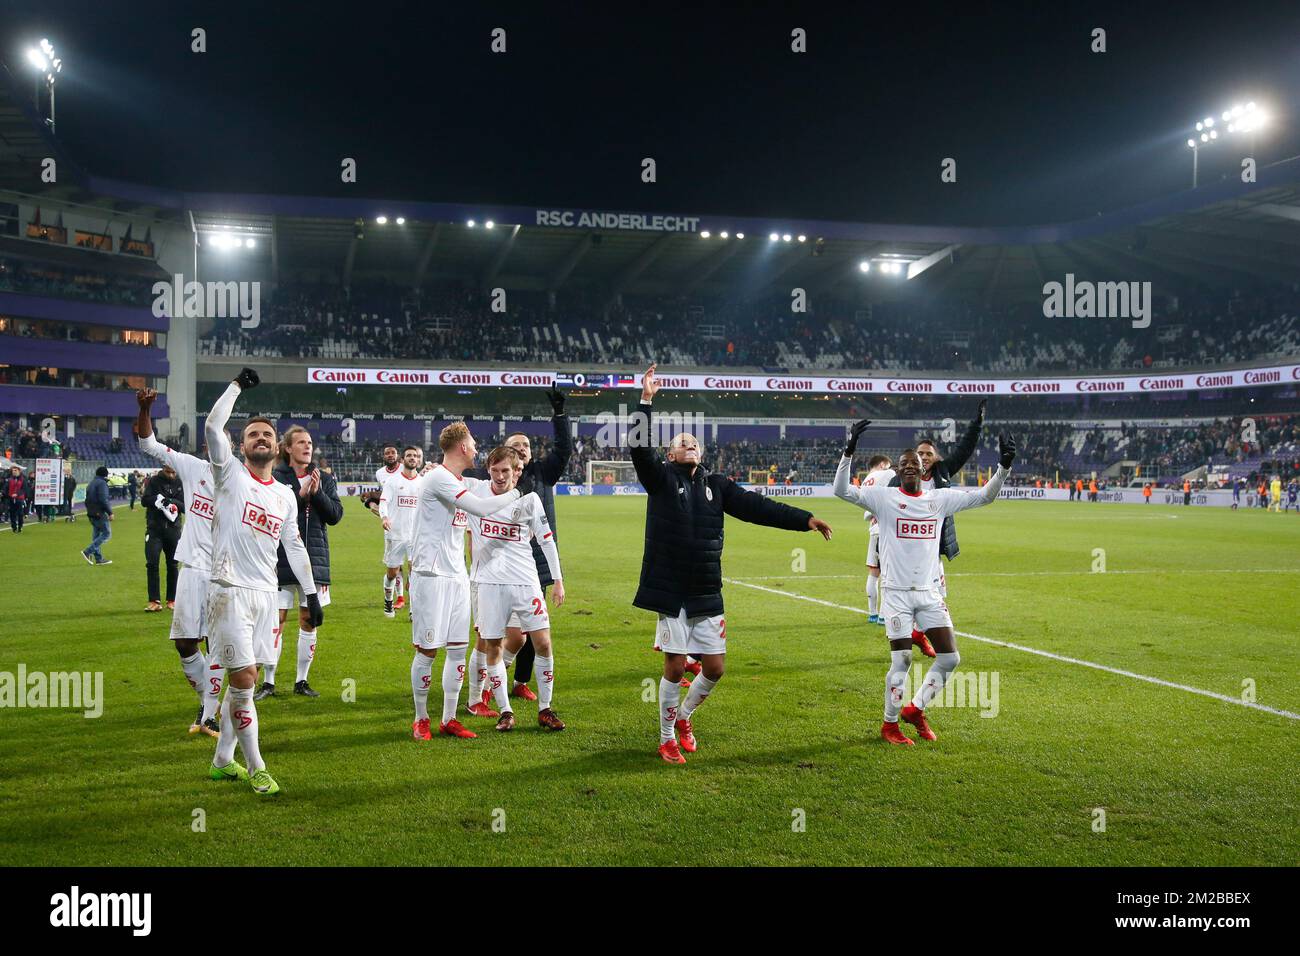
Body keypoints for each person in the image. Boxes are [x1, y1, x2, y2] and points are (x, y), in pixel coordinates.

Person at [631, 365, 833, 765]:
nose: (687, 444)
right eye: (680, 442)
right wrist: (646, 401)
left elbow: (759, 507)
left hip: (707, 588)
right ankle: (666, 736)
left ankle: (685, 717)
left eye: (692, 442)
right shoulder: (660, 480)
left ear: (701, 454)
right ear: (670, 454)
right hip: (671, 589)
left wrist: (804, 519)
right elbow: (639, 450)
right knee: (674, 665)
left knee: (716, 668)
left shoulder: (717, 486)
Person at [834, 436, 1015, 745]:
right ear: (898, 470)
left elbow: (985, 497)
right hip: (896, 593)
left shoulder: (939, 500)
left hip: (929, 594)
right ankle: (890, 725)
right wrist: (848, 451)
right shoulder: (884, 497)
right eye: (903, 463)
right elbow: (841, 490)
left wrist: (1004, 466)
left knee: (950, 658)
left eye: (913, 464)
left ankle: (915, 710)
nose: (908, 467)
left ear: (922, 469)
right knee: (902, 659)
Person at [204, 367, 321, 796]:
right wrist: (235, 385)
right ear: (241, 445)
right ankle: (257, 768)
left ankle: (221, 761)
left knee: (247, 682)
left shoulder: (284, 495)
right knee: (245, 679)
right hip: (228, 591)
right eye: (252, 434)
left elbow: (294, 546)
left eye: (267, 435)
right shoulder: (229, 474)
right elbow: (213, 424)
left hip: (265, 595)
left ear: (277, 447)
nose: (260, 439)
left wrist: (311, 593)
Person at [407, 422, 525, 742]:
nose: (476, 448)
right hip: (431, 575)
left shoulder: (459, 481)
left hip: (458, 576)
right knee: (428, 651)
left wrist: (510, 475)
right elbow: (482, 506)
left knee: (458, 651)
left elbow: (486, 488)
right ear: (461, 447)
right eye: (473, 444)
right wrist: (517, 493)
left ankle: (449, 719)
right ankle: (421, 719)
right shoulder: (438, 478)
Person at [463, 386, 572, 702]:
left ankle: (520, 682)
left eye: (525, 445)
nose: (522, 449)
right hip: (496, 570)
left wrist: (560, 415)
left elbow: (563, 450)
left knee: (534, 634)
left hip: (534, 563)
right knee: (506, 636)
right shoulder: (493, 483)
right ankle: (483, 690)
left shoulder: (541, 473)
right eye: (515, 445)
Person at [137, 386, 224, 737]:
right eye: (213, 441)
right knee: (186, 643)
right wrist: (144, 410)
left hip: (227, 574)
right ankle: (208, 701)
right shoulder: (192, 468)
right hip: (192, 569)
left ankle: (212, 714)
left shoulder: (243, 480)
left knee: (219, 647)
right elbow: (149, 445)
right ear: (207, 446)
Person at [465, 446, 567, 732]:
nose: (499, 476)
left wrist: (557, 580)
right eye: (495, 470)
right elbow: (445, 478)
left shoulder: (530, 501)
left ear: (515, 472)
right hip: (489, 584)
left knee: (543, 642)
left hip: (526, 581)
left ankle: (545, 709)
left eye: (505, 471)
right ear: (488, 470)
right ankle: (505, 710)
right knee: (493, 646)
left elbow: (547, 541)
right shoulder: (475, 492)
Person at [263, 424, 344, 700]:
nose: (307, 447)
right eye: (301, 442)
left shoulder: (324, 478)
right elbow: (273, 515)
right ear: (287, 448)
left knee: (309, 619)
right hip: (280, 559)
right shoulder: (276, 477)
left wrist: (317, 492)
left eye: (309, 442)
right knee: (276, 620)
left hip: (316, 560)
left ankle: (301, 680)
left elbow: (334, 515)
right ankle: (268, 682)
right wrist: (300, 496)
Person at [377, 445, 425, 619]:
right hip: (395, 534)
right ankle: (388, 600)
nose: (412, 458)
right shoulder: (393, 481)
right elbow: (383, 502)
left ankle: (414, 609)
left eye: (415, 456)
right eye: (409, 455)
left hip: (416, 535)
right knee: (392, 573)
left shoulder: (423, 483)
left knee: (415, 572)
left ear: (419, 461)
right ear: (403, 459)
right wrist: (384, 517)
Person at [143, 465, 184, 612]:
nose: (171, 475)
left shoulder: (180, 482)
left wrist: (171, 501)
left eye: (173, 472)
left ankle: (172, 600)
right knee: (152, 564)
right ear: (163, 469)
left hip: (173, 530)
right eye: (168, 472)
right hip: (154, 530)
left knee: (173, 565)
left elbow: (185, 506)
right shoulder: (154, 481)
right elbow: (144, 500)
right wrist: (158, 501)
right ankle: (154, 601)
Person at [860, 454, 892, 626]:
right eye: (888, 465)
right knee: (888, 574)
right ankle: (882, 616)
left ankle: (872, 613)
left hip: (873, 530)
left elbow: (866, 513)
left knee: (874, 573)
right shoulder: (885, 474)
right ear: (882, 464)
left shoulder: (866, 481)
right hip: (887, 530)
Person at [373, 443, 405, 606]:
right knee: (395, 565)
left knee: (414, 565)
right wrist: (373, 505)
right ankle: (399, 597)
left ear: (398, 455)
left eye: (393, 452)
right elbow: (384, 495)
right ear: (383, 456)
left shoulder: (406, 469)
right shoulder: (380, 473)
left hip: (410, 522)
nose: (390, 455)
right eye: (387, 453)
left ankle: (413, 599)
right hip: (391, 524)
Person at [82, 466, 113, 565]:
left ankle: (99, 558)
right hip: (99, 512)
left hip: (91, 512)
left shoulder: (91, 483)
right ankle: (88, 551)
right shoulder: (102, 483)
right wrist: (110, 512)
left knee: (96, 535)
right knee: (106, 534)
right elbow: (103, 499)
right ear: (105, 474)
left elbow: (86, 499)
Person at [5, 464, 25, 533]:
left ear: (19, 471)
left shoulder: (22, 479)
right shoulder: (9, 479)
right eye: (13, 470)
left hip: (19, 499)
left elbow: (24, 489)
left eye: (15, 470)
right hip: (11, 499)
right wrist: (3, 493)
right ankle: (14, 527)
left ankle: (20, 526)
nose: (14, 472)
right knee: (12, 513)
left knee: (20, 514)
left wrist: (17, 494)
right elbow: (6, 488)